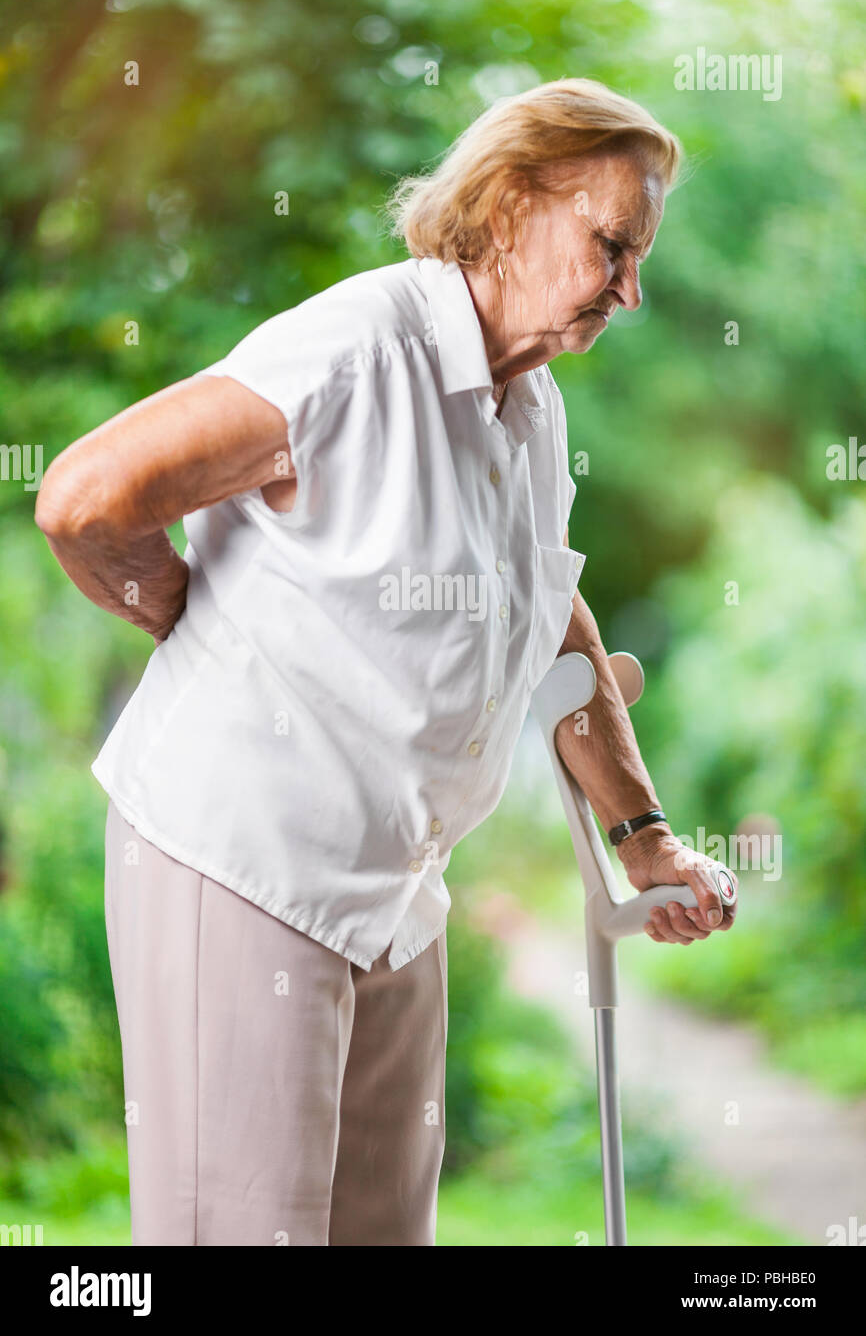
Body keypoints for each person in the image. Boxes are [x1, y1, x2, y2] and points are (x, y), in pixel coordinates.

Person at [34, 77, 737, 1247]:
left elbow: (553, 617)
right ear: (511, 205)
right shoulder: (354, 351)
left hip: (395, 896)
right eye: (611, 245)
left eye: (637, 256)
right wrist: (173, 608)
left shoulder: (531, 404)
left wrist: (642, 836)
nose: (631, 288)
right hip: (242, 860)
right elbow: (83, 496)